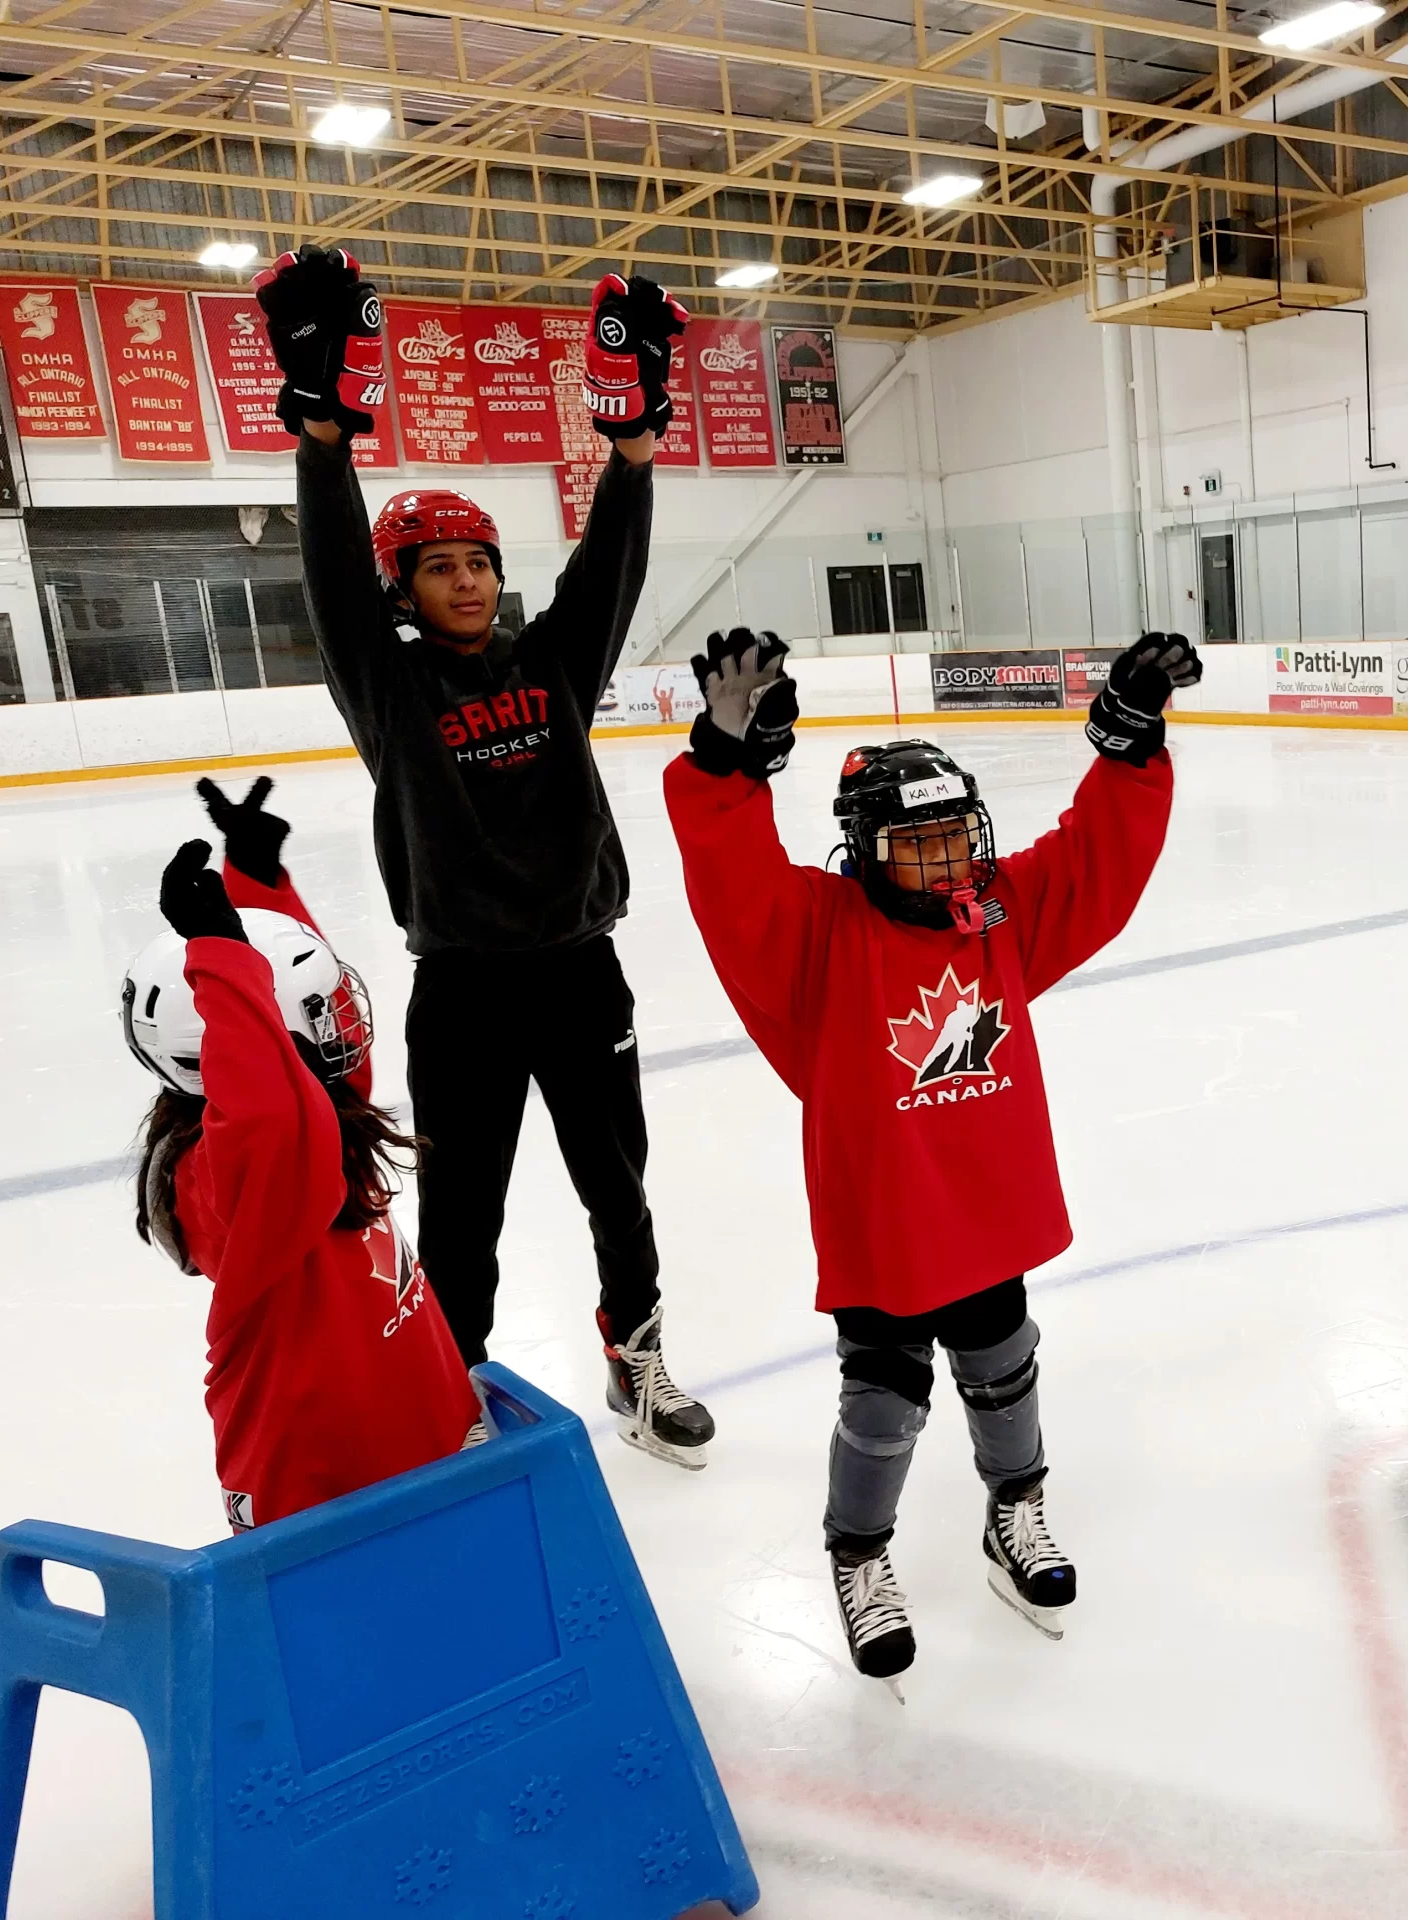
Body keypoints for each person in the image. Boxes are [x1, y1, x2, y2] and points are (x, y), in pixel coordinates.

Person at [663, 625, 1199, 1694]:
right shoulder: (818, 935)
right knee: (884, 1401)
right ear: (865, 850)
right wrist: (726, 768)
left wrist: (1130, 738)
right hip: (886, 1214)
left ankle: (1016, 1513)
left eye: (957, 836)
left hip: (986, 1204)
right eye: (919, 843)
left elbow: (1092, 865)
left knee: (1005, 1364)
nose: (946, 859)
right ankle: (858, 1558)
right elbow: (735, 893)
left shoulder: (993, 913)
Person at [255, 244, 714, 1466]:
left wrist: (632, 450)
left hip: (579, 974)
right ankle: (445, 1388)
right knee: (464, 1215)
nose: (467, 582)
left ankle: (639, 1355)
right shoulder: (389, 687)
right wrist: (322, 441)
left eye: (481, 563)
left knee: (618, 1192)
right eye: (441, 566)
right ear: (403, 586)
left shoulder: (554, 664)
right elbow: (331, 588)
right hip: (460, 991)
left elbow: (607, 572)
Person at [122, 778, 476, 1531]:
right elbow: (273, 1109)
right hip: (315, 1477)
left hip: (408, 1430)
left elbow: (299, 1024)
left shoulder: (317, 1114)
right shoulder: (229, 1177)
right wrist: (218, 956)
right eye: (324, 1017)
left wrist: (255, 886)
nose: (348, 1022)